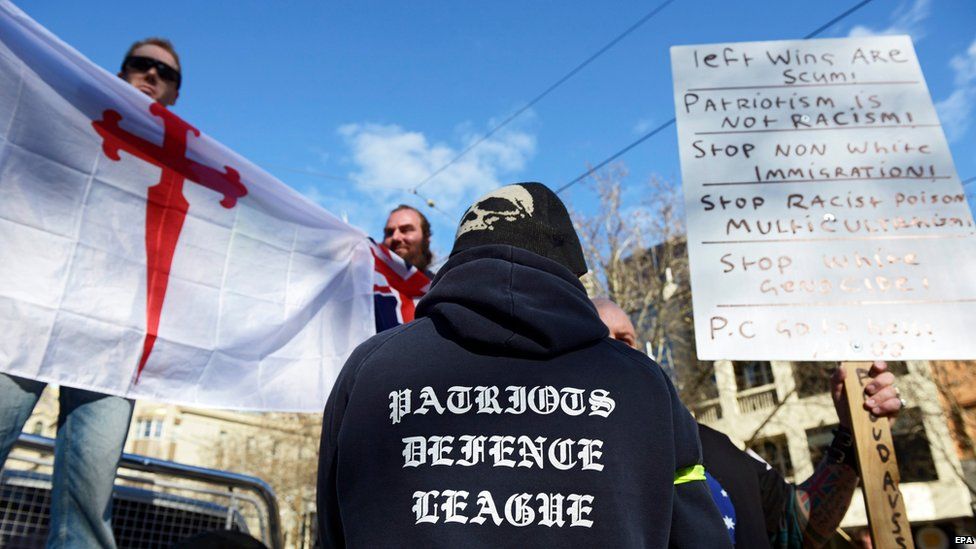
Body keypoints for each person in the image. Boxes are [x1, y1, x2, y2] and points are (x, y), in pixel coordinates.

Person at [318, 183, 731, 548]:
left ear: (458, 258)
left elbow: (333, 525)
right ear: (572, 271)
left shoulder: (371, 369)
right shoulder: (644, 384)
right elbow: (697, 533)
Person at [0, 37, 182, 548]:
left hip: (114, 336)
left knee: (88, 502)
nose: (151, 75)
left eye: (164, 72)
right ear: (120, 71)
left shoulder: (184, 157)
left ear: (174, 91)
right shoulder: (66, 114)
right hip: (30, 310)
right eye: (140, 65)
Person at [592, 298, 905, 548]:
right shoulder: (563, 455)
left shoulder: (712, 445)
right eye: (597, 337)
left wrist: (853, 434)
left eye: (625, 339)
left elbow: (795, 527)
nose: (615, 348)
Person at [382, 204, 434, 274]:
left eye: (406, 230)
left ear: (426, 238)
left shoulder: (441, 284)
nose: (395, 237)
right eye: (389, 232)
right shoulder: (366, 281)